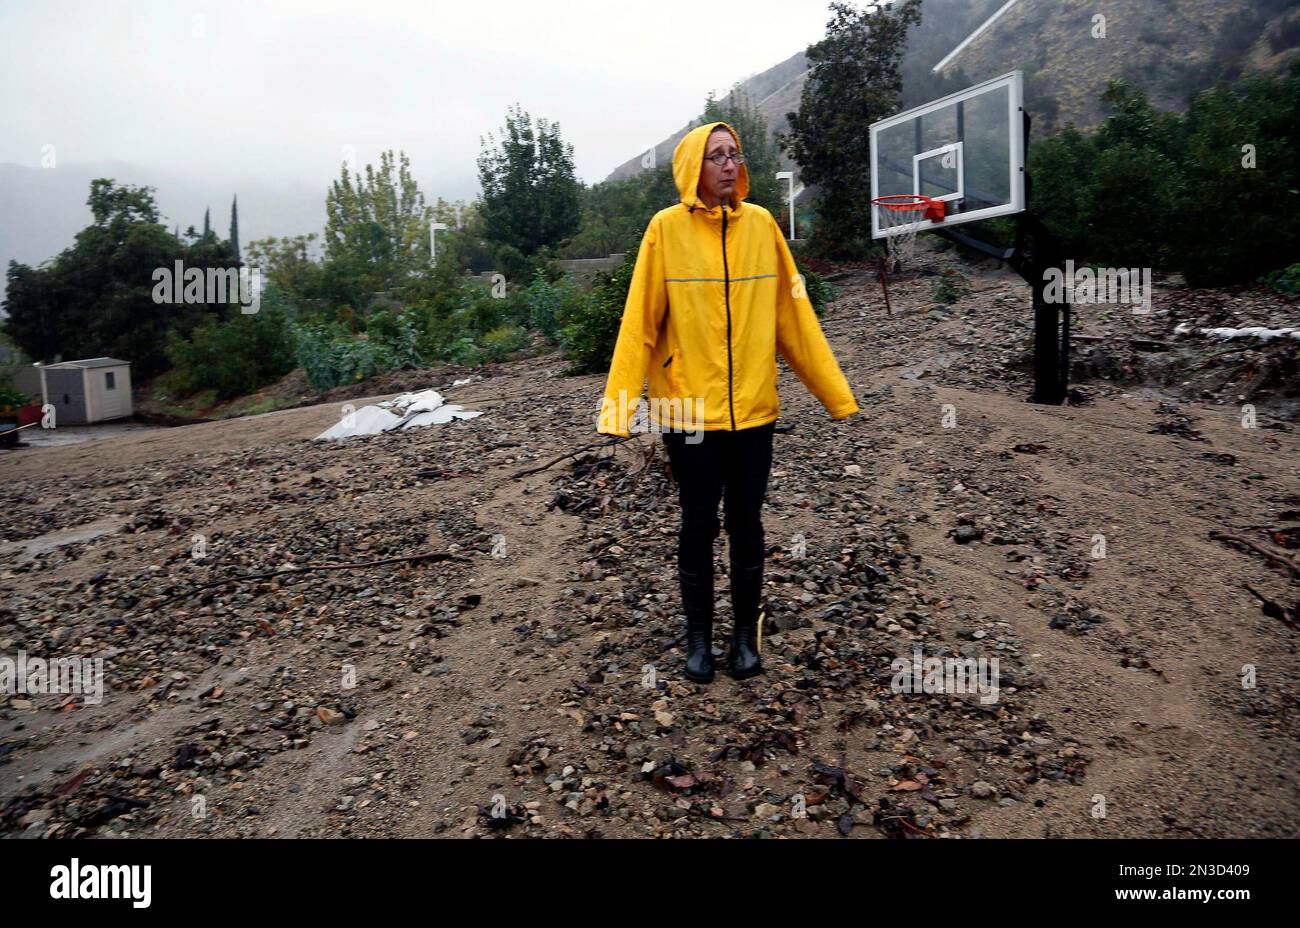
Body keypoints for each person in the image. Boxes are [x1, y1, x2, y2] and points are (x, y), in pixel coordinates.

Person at [597, 121, 859, 683]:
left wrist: (835, 396)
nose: (728, 164)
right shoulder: (664, 231)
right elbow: (637, 324)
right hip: (685, 412)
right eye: (716, 155)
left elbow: (795, 319)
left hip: (753, 411)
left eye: (734, 154)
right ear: (694, 166)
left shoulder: (763, 226)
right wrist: (619, 409)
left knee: (746, 520)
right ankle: (698, 640)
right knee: (696, 522)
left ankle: (744, 634)